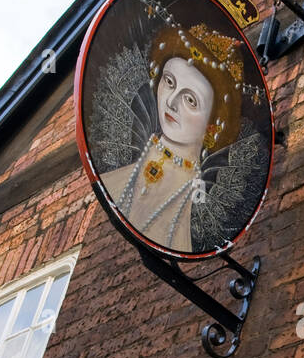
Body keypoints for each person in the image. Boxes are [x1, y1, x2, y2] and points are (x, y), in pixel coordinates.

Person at [99, 24, 244, 253]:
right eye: (169, 82)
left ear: (212, 123)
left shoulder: (195, 207)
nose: (171, 102)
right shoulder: (116, 180)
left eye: (190, 100)